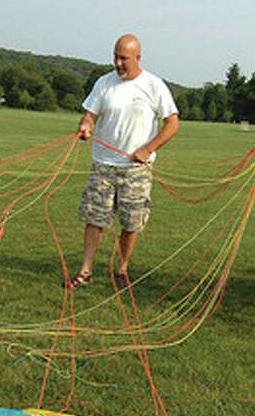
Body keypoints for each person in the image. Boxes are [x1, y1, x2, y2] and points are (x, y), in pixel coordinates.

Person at [66, 33, 179, 288]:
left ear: (138, 57)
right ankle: (85, 271)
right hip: (103, 165)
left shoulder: (154, 85)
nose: (118, 63)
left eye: (123, 58)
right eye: (115, 57)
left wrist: (148, 148)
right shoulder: (104, 83)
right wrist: (85, 126)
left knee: (131, 222)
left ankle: (123, 268)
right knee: (95, 218)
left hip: (136, 169)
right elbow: (90, 116)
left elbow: (172, 124)